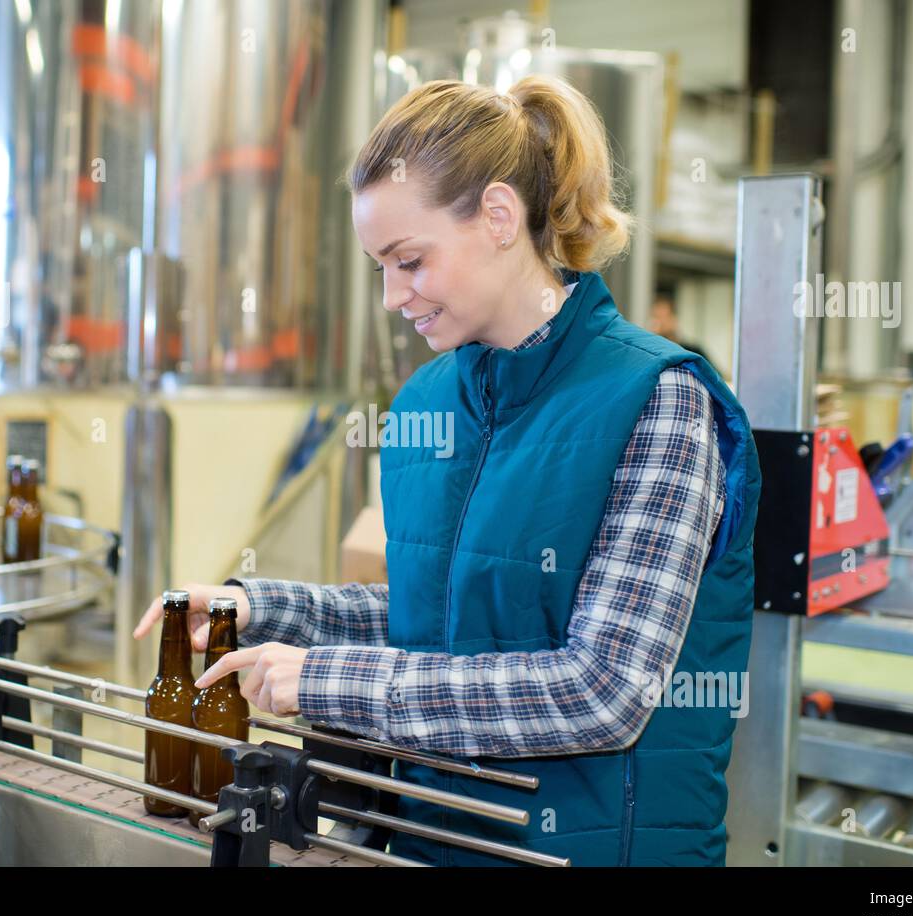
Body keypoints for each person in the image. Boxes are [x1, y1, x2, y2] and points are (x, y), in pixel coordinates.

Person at [135, 75, 760, 867]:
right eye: (379, 269)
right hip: (434, 846)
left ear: (499, 217)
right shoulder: (425, 404)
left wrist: (328, 681)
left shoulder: (657, 400)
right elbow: (439, 620)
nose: (393, 296)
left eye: (410, 260)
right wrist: (260, 609)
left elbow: (601, 692)